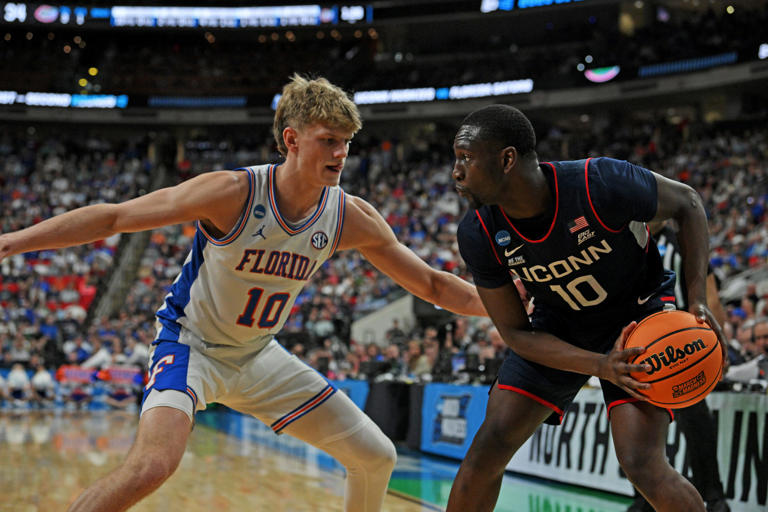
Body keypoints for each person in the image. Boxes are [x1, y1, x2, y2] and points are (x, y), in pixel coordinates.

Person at [0, 75, 486, 512]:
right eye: (329, 141)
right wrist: (11, 242)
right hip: (191, 347)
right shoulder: (232, 193)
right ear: (291, 140)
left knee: (377, 456)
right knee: (152, 467)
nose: (341, 154)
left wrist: (513, 304)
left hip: (259, 356)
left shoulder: (348, 215)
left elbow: (433, 285)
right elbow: (114, 217)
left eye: (346, 143)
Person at [446, 104, 727, 512]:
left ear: (507, 159)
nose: (456, 171)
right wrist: (598, 365)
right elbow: (516, 333)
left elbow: (688, 203)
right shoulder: (479, 231)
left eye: (465, 158)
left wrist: (697, 298)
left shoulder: (599, 182)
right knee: (487, 449)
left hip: (639, 319)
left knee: (641, 462)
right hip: (559, 325)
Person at [624, 220, 730, 512]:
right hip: (643, 350)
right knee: (639, 428)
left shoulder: (683, 242)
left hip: (684, 347)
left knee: (696, 422)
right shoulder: (625, 241)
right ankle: (645, 499)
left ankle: (713, 495)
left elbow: (711, 296)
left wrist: (722, 347)